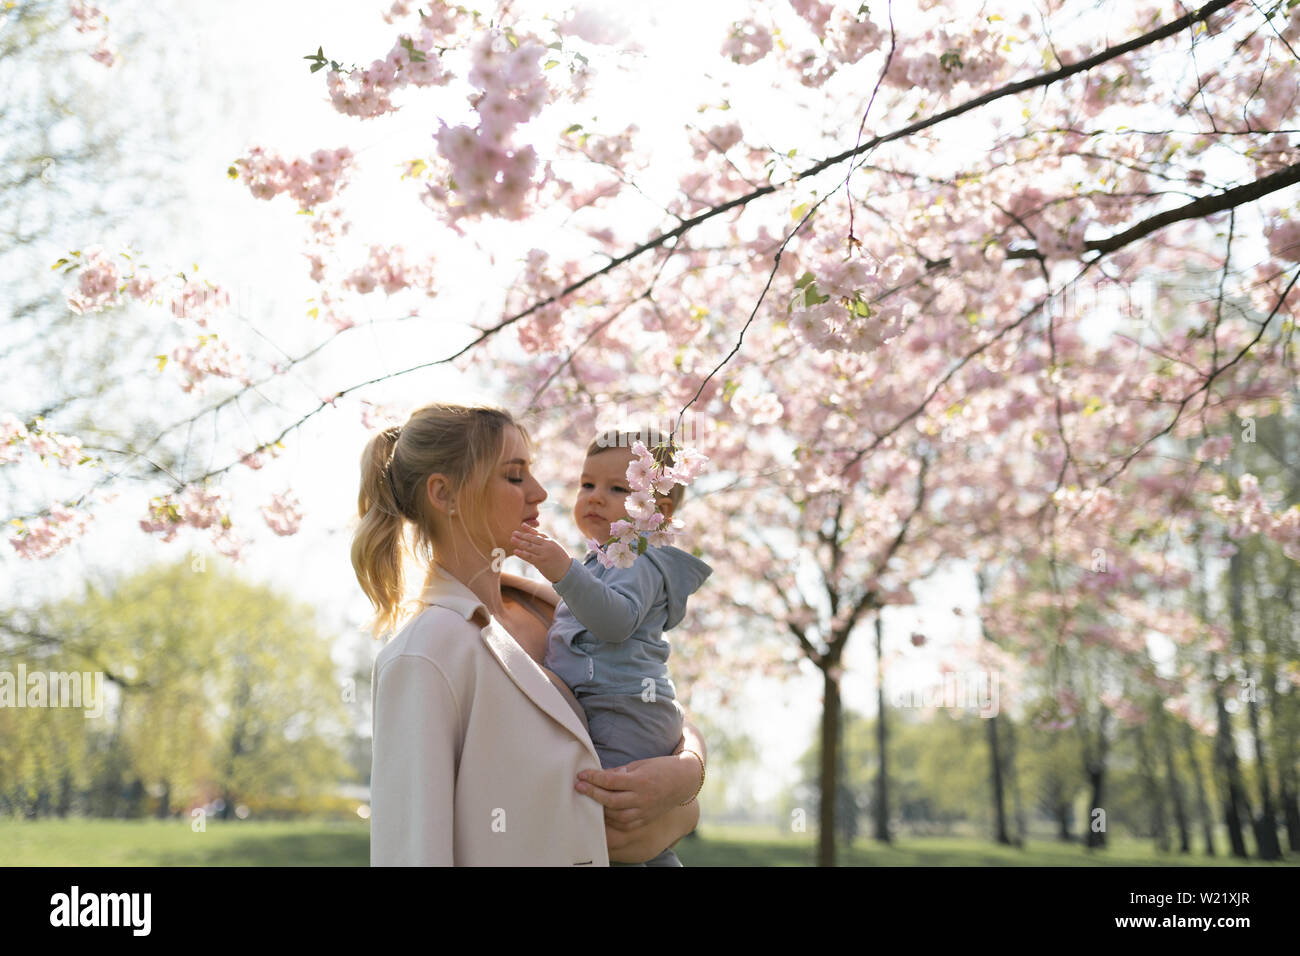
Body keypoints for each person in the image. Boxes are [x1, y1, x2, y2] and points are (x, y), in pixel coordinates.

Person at [351, 403, 705, 866]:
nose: (540, 492)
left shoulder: (564, 608)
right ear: (444, 494)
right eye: (515, 476)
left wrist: (689, 772)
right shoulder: (426, 654)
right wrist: (676, 811)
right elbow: (413, 853)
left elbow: (657, 715)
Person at [509, 430, 712, 866]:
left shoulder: (635, 554)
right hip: (616, 708)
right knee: (624, 822)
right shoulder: (607, 559)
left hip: (622, 710)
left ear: (658, 512)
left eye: (619, 488)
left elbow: (616, 622)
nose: (596, 497)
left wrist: (562, 571)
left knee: (612, 818)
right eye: (587, 484)